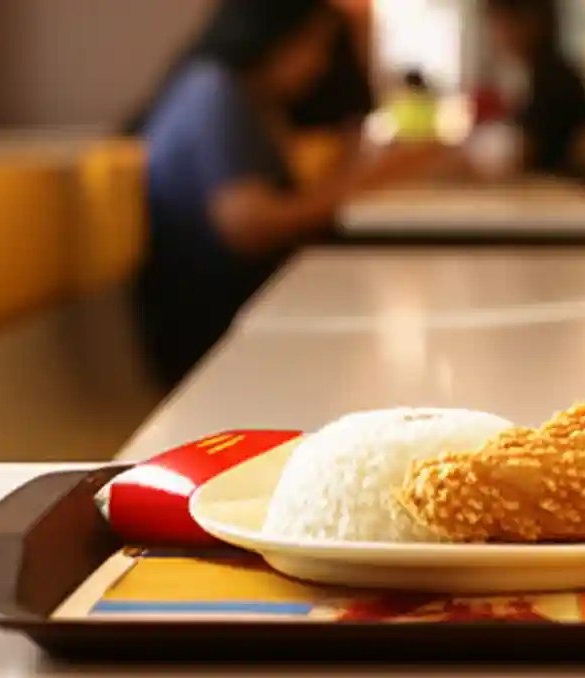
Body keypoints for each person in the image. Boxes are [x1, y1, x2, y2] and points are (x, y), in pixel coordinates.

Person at [131, 0, 442, 387]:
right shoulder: (214, 93)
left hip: (245, 312)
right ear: (272, 33)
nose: (320, 64)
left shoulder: (247, 98)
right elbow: (247, 226)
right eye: (314, 45)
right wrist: (366, 180)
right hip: (210, 330)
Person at [481, 0, 585, 177]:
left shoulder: (555, 79)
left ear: (532, 22)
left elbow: (529, 152)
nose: (496, 35)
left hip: (567, 191)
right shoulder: (535, 74)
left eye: (503, 23)